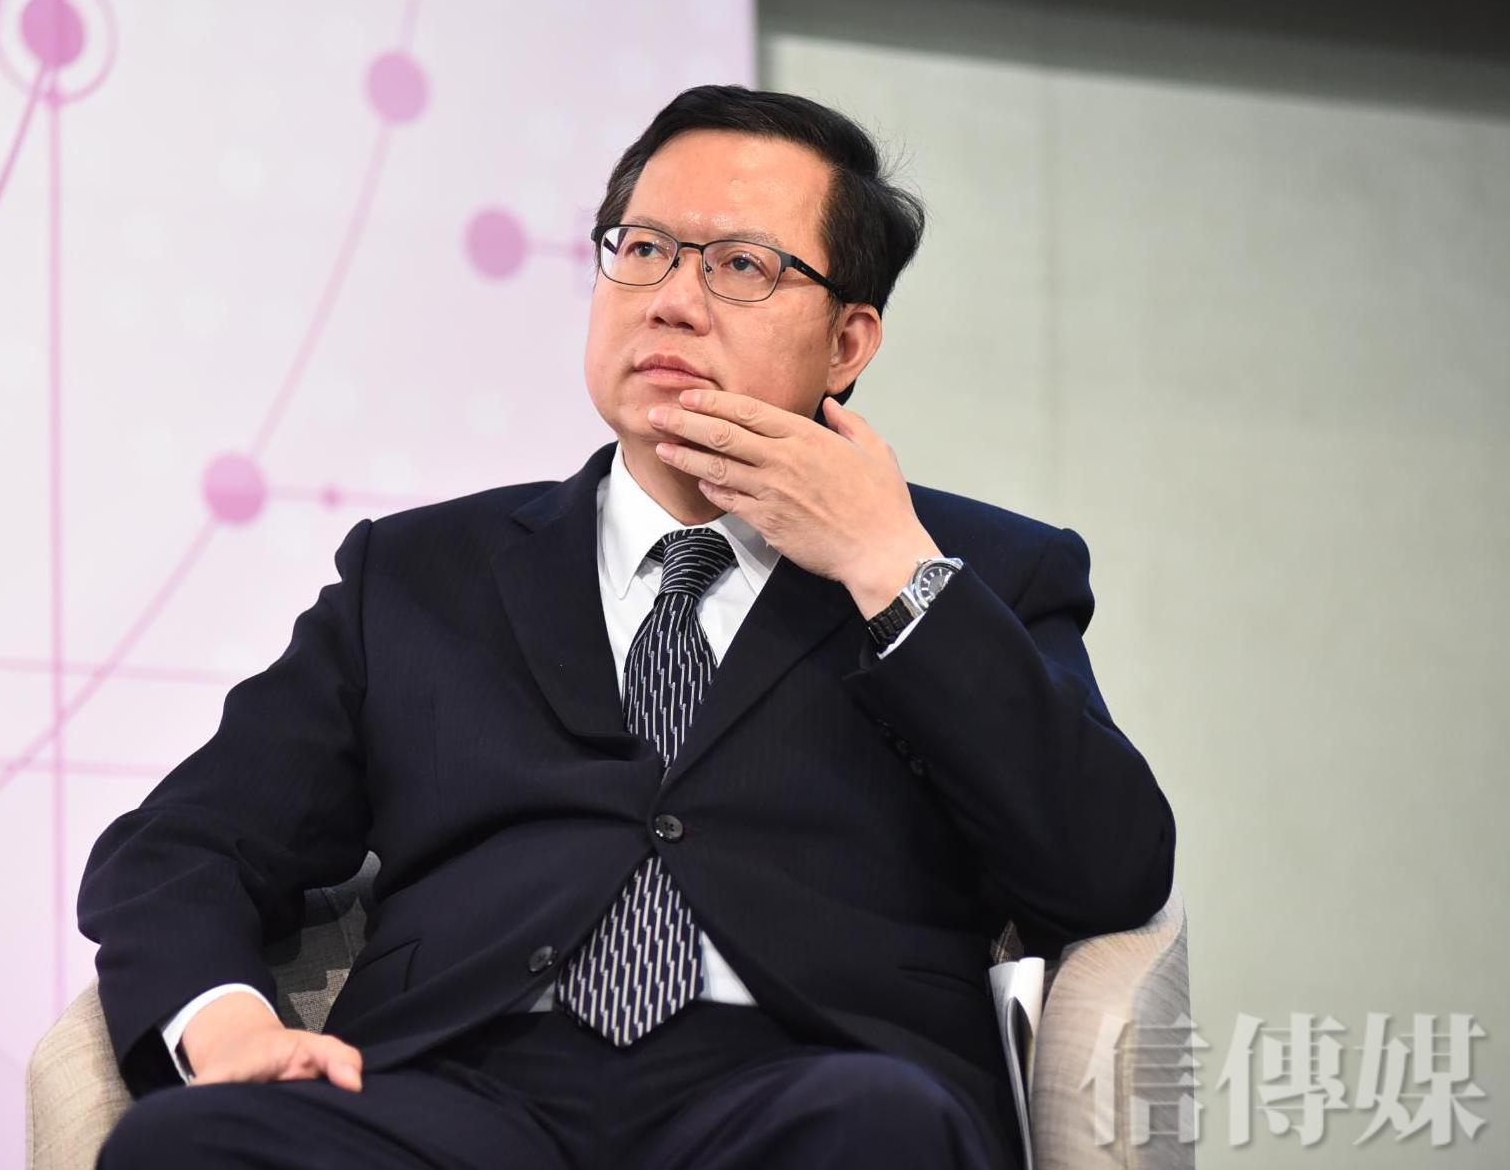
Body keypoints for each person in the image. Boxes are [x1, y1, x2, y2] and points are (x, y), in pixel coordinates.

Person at [80, 84, 1176, 1169]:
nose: (672, 301)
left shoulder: (979, 570)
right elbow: (187, 843)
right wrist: (225, 1020)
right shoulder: (418, 574)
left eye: (740, 266)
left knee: (878, 1132)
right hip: (456, 1094)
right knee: (186, 1146)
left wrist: (889, 567)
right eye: (643, 248)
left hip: (811, 1086)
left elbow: (1105, 871)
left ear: (848, 342)